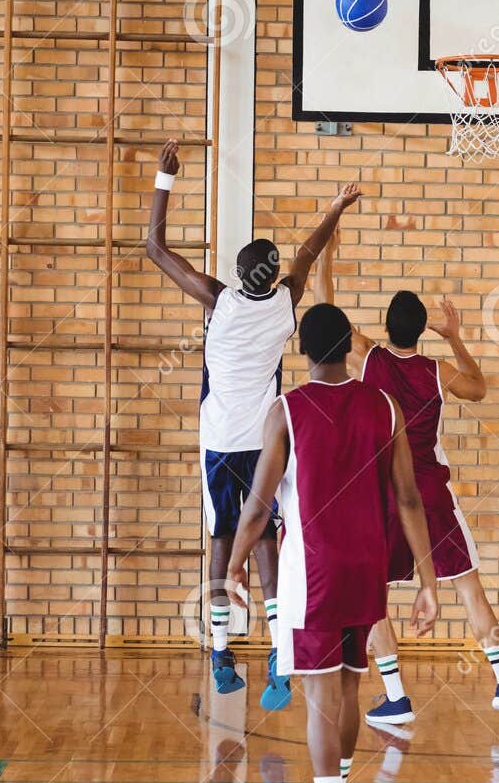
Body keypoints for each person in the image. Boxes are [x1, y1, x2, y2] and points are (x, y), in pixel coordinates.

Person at [226, 303, 440, 783]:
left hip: (313, 574)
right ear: (349, 347)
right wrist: (428, 579)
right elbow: (410, 498)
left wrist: (232, 568)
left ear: (303, 351)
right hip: (367, 569)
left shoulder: (287, 411)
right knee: (346, 690)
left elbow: (257, 505)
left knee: (321, 698)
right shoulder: (385, 405)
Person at [147, 139, 359, 709]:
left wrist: (164, 180)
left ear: (238, 275)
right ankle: (277, 653)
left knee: (221, 538)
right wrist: (336, 206)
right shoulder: (287, 303)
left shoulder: (217, 300)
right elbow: (309, 253)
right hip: (267, 439)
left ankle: (220, 652)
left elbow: (155, 248)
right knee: (265, 536)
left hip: (218, 439)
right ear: (272, 278)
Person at [315, 234, 499, 725]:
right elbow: (478, 387)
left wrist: (330, 242)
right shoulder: (437, 370)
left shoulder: (369, 358)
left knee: (372, 597)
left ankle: (395, 695)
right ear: (420, 331)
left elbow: (325, 305)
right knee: (468, 588)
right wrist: (454, 336)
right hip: (430, 495)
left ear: (387, 329)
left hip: (379, 496)